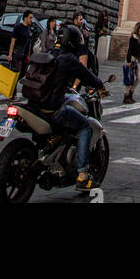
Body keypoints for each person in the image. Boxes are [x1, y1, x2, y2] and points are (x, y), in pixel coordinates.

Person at [39, 24, 110, 190]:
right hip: (53, 108)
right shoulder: (69, 59)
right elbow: (86, 75)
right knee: (85, 126)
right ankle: (82, 175)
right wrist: (101, 86)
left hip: (35, 105)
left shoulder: (47, 53)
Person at [7, 10, 36, 76]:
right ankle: (12, 86)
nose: (32, 20)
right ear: (25, 18)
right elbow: (12, 42)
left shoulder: (29, 28)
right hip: (18, 54)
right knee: (16, 73)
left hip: (25, 55)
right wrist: (10, 55)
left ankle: (14, 85)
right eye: (30, 18)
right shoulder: (18, 27)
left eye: (32, 18)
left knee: (23, 73)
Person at [123, 22, 140, 103]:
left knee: (139, 77)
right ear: (138, 28)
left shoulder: (139, 38)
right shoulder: (133, 37)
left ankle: (131, 92)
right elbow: (130, 50)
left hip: (136, 61)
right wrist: (128, 61)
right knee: (129, 78)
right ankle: (126, 96)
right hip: (130, 60)